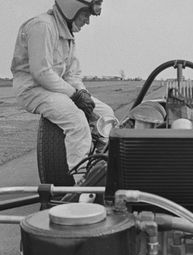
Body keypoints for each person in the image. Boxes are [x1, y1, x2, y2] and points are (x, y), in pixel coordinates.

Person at [10, 0, 116, 176]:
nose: (88, 21)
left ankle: (102, 167)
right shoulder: (42, 26)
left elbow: (72, 75)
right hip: (33, 89)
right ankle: (82, 182)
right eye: (86, 15)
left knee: (106, 114)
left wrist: (83, 93)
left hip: (56, 88)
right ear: (72, 9)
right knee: (77, 123)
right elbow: (41, 72)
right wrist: (75, 95)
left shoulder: (67, 34)